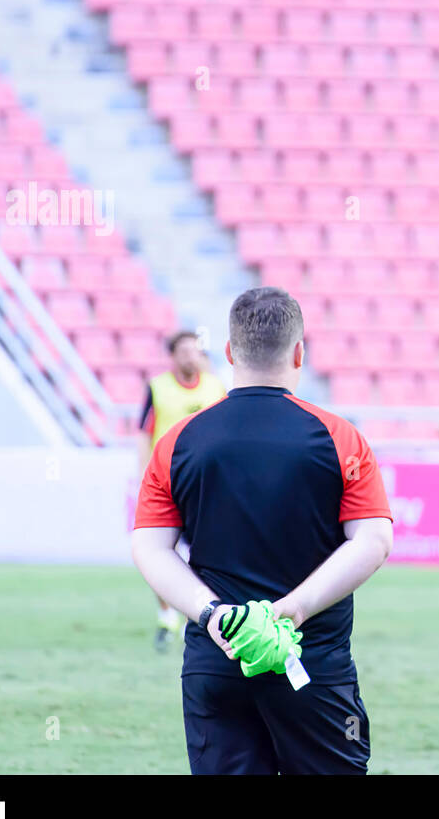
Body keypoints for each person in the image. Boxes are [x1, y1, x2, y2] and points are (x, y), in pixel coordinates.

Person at [132, 287, 392, 774]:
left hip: (216, 663)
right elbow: (373, 541)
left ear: (229, 353)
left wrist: (211, 613)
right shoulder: (341, 437)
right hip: (311, 664)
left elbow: (150, 547)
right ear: (299, 353)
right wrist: (294, 609)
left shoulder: (177, 441)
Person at [138, 330, 226, 649]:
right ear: (173, 356)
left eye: (195, 350)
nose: (190, 356)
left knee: (208, 551)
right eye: (184, 351)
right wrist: (142, 474)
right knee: (160, 550)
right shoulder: (158, 388)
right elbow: (143, 433)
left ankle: (206, 610)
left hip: (206, 484)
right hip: (167, 482)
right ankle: (167, 616)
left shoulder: (216, 386)